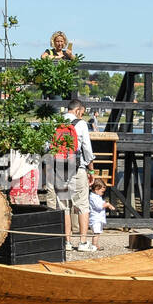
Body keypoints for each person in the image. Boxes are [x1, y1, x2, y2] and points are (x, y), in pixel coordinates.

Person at [64, 99, 96, 250]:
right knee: (83, 205)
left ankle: (67, 242)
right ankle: (83, 242)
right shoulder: (81, 124)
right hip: (77, 169)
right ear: (77, 110)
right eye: (82, 113)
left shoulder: (56, 121)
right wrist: (91, 170)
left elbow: (47, 146)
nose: (82, 116)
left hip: (59, 168)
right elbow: (87, 150)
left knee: (64, 206)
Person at [88, 177, 108, 249]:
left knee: (98, 232)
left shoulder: (97, 196)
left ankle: (96, 244)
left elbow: (102, 203)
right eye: (102, 191)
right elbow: (98, 206)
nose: (103, 193)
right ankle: (94, 244)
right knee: (96, 232)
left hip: (98, 218)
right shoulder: (93, 197)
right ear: (96, 189)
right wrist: (107, 205)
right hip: (95, 218)